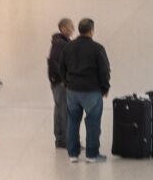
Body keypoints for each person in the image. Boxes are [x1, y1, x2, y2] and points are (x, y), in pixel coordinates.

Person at [60, 17, 111, 163]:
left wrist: (66, 81)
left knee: (73, 121)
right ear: (91, 31)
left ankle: (73, 154)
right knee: (93, 122)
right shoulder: (97, 48)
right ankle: (91, 154)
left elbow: (61, 67)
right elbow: (104, 70)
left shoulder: (68, 47)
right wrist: (105, 87)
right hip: (91, 91)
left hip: (72, 91)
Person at [44, 18, 76, 149]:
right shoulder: (59, 44)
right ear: (62, 28)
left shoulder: (62, 42)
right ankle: (64, 139)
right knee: (63, 110)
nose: (72, 29)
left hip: (58, 81)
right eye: (70, 27)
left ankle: (62, 138)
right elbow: (53, 63)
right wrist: (62, 79)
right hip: (60, 83)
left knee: (60, 108)